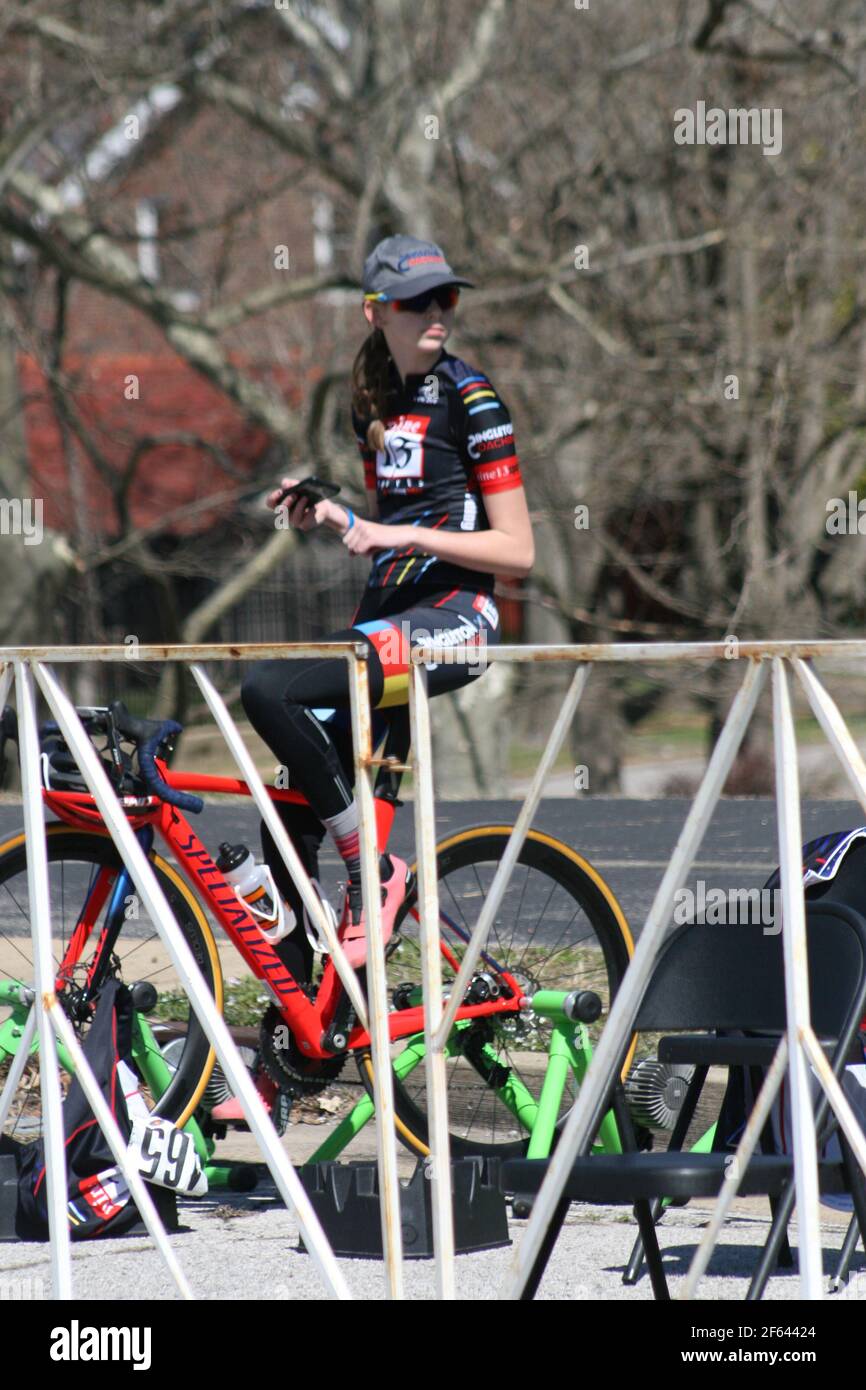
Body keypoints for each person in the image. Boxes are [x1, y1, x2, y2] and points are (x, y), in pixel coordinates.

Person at [241, 234, 534, 979]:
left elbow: (518, 550)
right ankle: (299, 1031)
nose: (437, 312)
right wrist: (335, 516)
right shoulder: (371, 400)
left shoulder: (473, 398)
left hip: (457, 622)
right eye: (416, 301)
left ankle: (371, 871)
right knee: (284, 823)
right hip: (386, 621)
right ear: (376, 312)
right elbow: (392, 527)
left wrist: (396, 534)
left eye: (447, 297)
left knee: (267, 687)